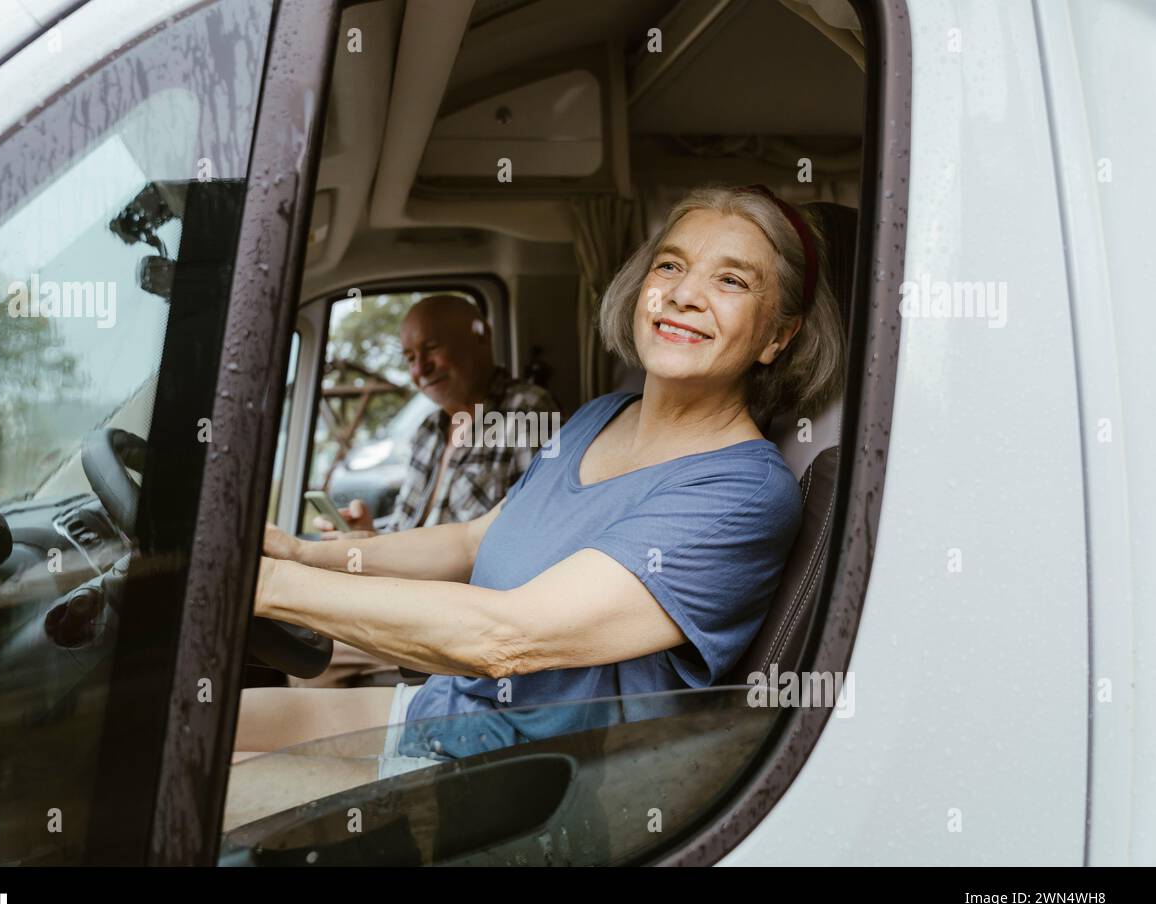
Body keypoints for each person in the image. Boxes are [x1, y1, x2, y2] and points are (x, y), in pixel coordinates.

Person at [225, 184, 845, 828]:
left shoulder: (741, 492)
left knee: (187, 792)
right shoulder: (601, 417)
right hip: (443, 719)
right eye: (671, 264)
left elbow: (509, 637)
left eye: (733, 281)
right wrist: (304, 554)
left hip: (526, 790)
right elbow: (470, 542)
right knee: (179, 724)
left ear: (778, 336)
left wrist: (267, 585)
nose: (684, 293)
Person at [301, 294, 560, 687]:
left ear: (481, 336)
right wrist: (371, 537)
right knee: (303, 626)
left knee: (314, 647)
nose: (420, 369)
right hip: (403, 595)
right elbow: (411, 536)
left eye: (431, 349)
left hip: (459, 613)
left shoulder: (528, 412)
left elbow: (535, 550)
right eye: (408, 358)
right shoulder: (428, 432)